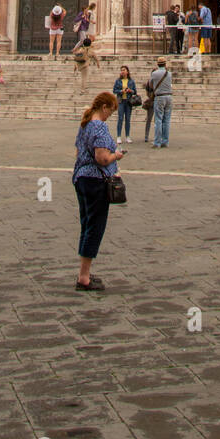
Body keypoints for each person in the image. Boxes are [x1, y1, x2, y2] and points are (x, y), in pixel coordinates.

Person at [72, 91, 125, 292]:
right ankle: (84, 277)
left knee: (87, 224)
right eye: (110, 112)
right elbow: (102, 158)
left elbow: (77, 152)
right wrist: (116, 156)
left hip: (81, 178)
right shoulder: (100, 127)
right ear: (104, 107)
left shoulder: (84, 124)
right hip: (96, 181)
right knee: (95, 227)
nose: (109, 116)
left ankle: (83, 272)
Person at [112, 65, 138, 143]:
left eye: (124, 70)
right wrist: (121, 91)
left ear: (127, 71)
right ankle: (119, 136)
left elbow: (135, 91)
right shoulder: (118, 81)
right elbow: (114, 90)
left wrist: (130, 91)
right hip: (121, 101)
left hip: (128, 101)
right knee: (120, 118)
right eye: (121, 70)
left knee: (128, 119)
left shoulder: (131, 81)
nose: (122, 71)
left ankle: (127, 136)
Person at [151, 58, 173, 148]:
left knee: (158, 120)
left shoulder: (154, 74)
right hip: (169, 96)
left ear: (157, 64)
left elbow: (151, 83)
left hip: (159, 96)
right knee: (166, 120)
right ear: (165, 64)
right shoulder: (169, 74)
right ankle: (165, 141)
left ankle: (157, 142)